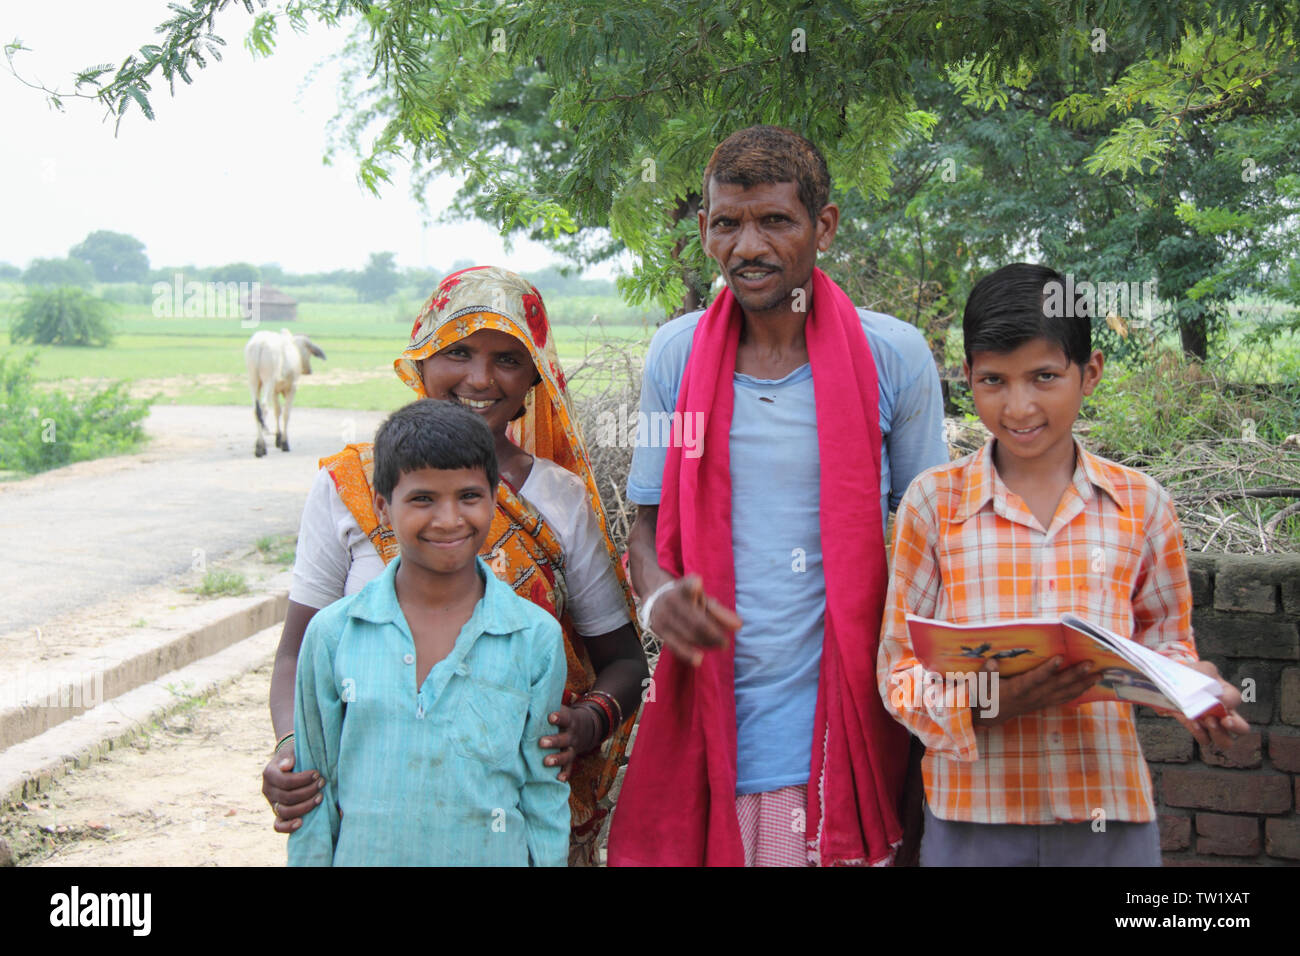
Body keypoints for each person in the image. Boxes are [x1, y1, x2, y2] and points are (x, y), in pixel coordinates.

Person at [607, 126, 950, 867]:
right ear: (703, 230)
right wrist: (658, 602)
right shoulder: (677, 355)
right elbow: (646, 531)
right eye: (727, 223)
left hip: (847, 722)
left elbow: (934, 546)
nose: (748, 246)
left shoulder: (893, 356)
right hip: (710, 716)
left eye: (775, 221)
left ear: (823, 226)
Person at [264, 266, 648, 864]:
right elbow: (297, 653)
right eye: (458, 351)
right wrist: (293, 752)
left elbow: (623, 660)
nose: (480, 378)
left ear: (534, 378)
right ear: (420, 358)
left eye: (507, 359)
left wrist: (588, 723)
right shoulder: (350, 487)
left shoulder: (560, 499)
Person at [877, 262, 1248, 866]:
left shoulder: (1142, 505)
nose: (1018, 405)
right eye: (993, 380)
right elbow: (899, 674)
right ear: (967, 375)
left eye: (1044, 376)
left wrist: (1194, 689)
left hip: (1108, 811)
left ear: (1090, 373)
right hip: (975, 816)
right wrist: (992, 704)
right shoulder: (931, 504)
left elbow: (1167, 643)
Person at [288, 399, 570, 865]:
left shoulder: (534, 637)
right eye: (423, 499)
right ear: (382, 507)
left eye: (468, 496)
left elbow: (543, 794)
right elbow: (314, 791)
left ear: (494, 499)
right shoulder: (333, 635)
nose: (448, 519)